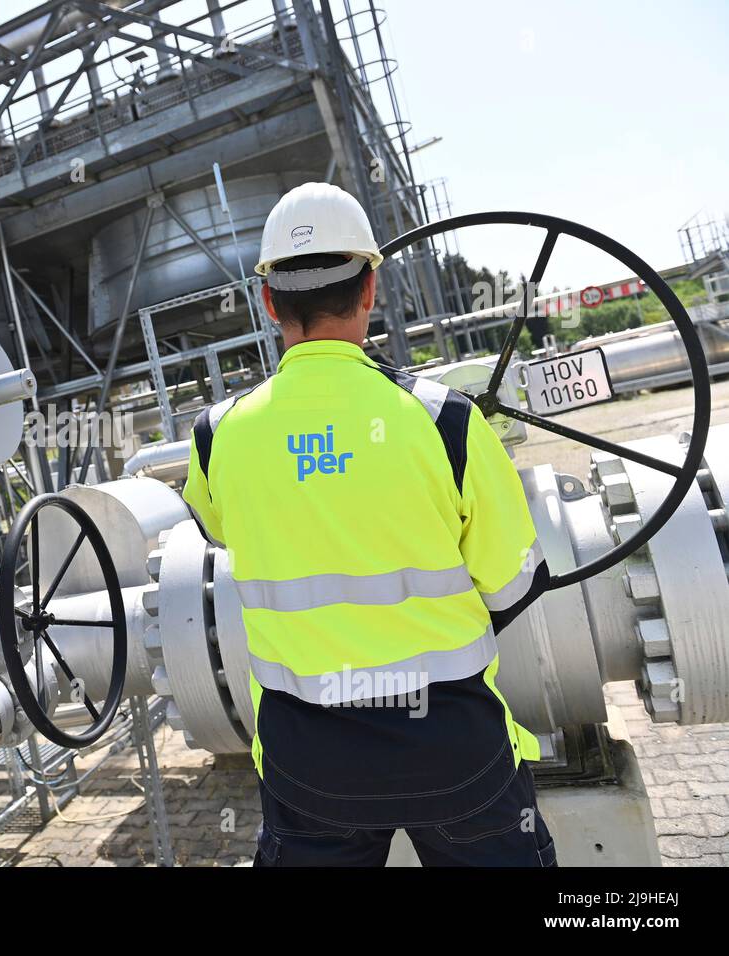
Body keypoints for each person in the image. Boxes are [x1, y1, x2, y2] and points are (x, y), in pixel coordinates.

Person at [182, 182, 555, 867]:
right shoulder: (446, 423)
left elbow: (224, 536)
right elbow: (511, 586)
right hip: (455, 752)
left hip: (309, 766)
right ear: (371, 288)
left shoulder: (215, 437)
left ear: (269, 301)